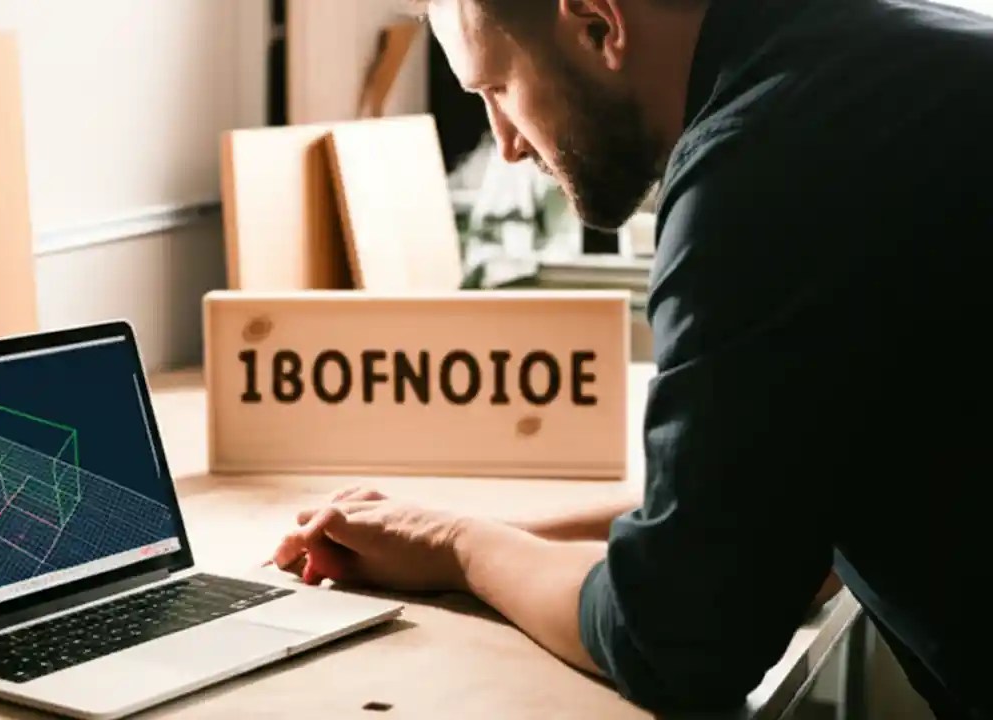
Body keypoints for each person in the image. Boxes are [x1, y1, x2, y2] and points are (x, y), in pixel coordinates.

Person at [269, 0, 993, 716]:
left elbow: (679, 638)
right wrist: (451, 531)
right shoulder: (883, 61)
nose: (508, 143)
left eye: (497, 88)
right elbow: (752, 524)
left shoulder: (762, 168)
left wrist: (461, 546)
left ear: (597, 23)